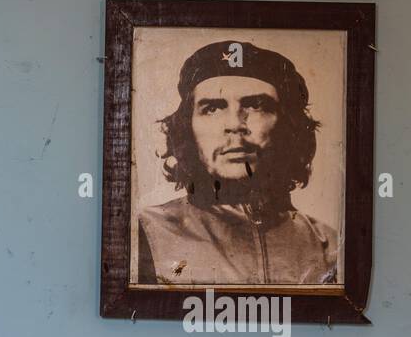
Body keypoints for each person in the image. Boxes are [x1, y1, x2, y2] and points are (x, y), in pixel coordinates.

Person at [137, 40, 339, 286]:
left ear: (288, 127)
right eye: (212, 108)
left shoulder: (327, 245)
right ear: (187, 128)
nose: (234, 124)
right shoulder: (146, 234)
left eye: (256, 105)